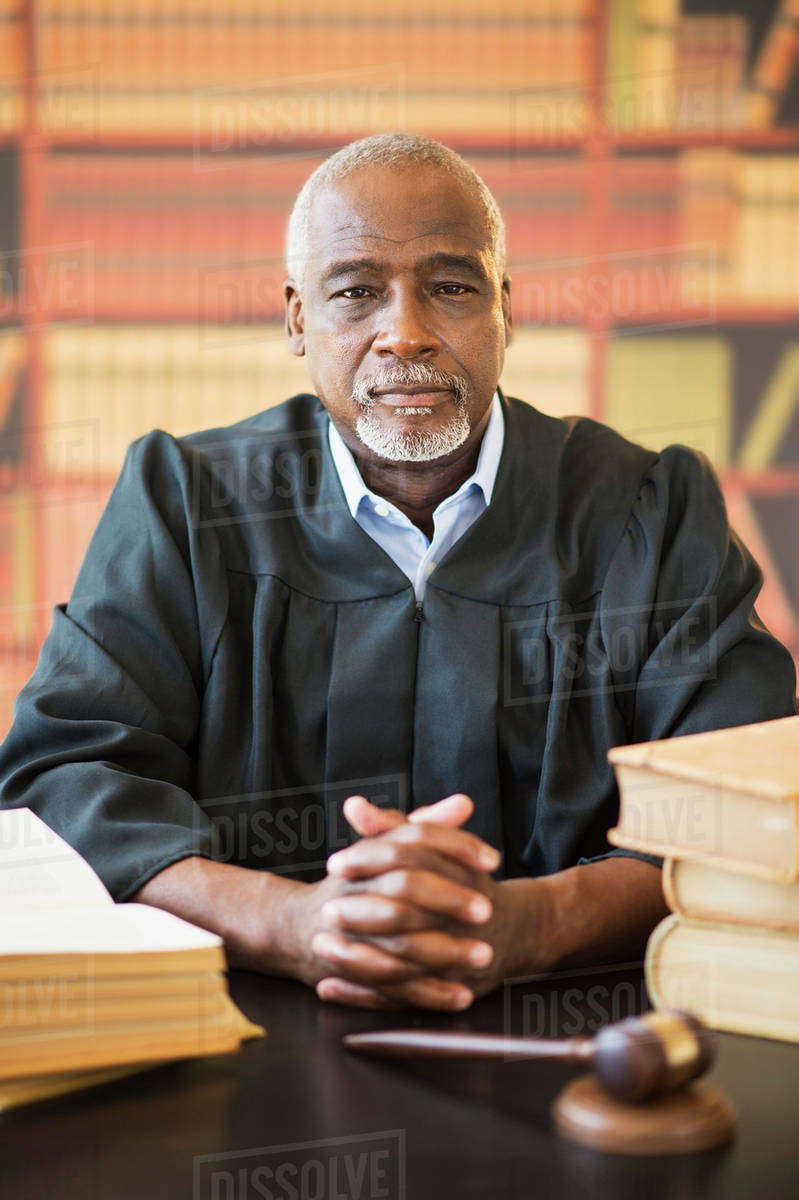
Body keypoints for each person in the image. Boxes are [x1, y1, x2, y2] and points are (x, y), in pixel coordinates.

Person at [1, 134, 796, 1012]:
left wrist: (532, 923)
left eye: (451, 288)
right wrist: (288, 922)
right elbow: (63, 779)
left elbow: (744, 807)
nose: (405, 333)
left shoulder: (649, 506)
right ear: (298, 319)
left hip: (575, 1027)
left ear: (505, 307)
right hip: (247, 1032)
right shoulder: (187, 504)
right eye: (356, 293)